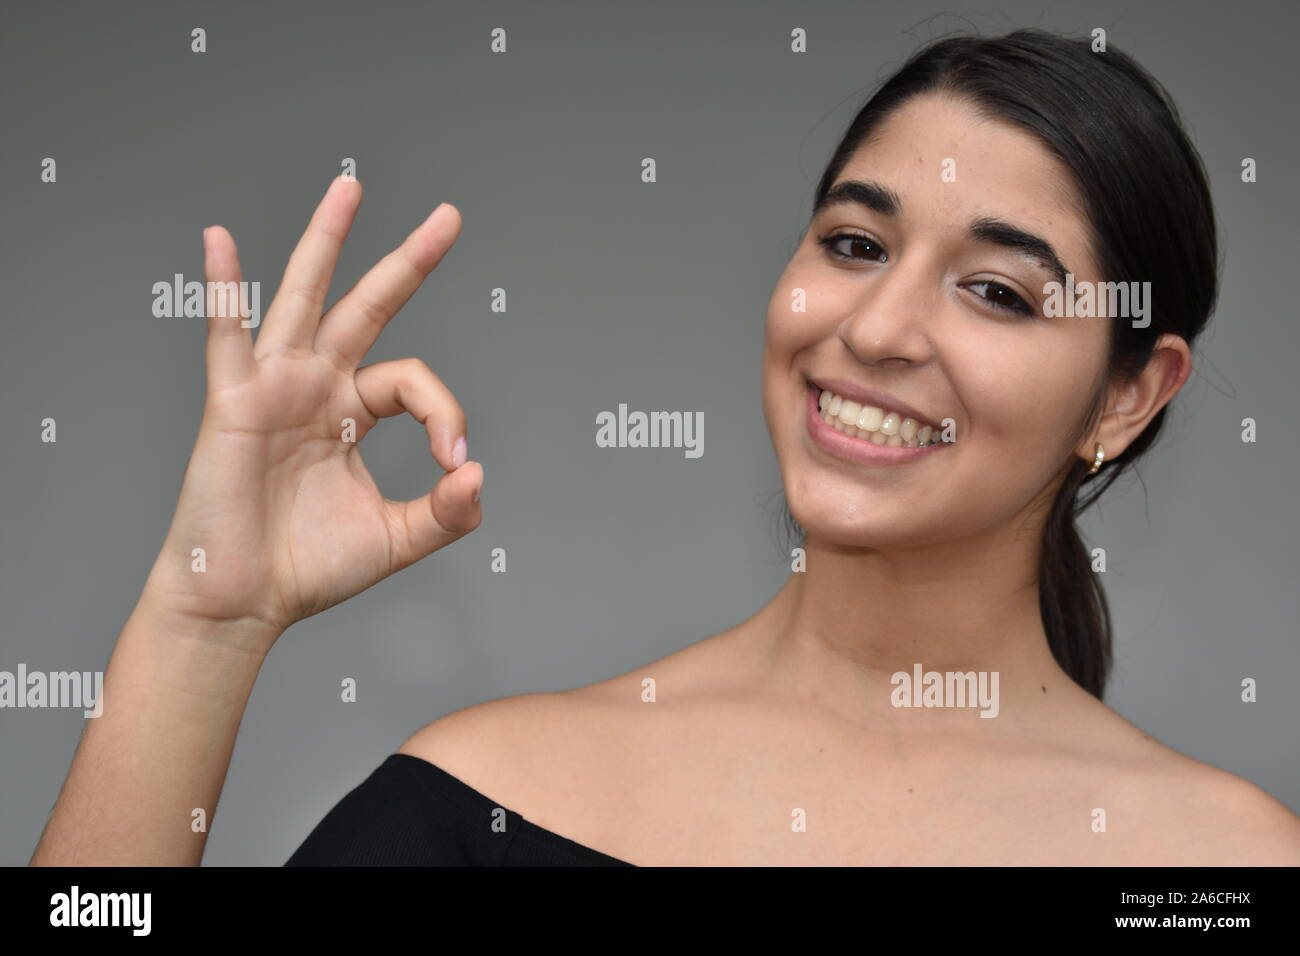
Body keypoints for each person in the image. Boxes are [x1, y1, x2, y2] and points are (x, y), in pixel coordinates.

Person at [30, 28, 1300, 866]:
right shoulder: (481, 801)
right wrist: (203, 628)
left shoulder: (1217, 864)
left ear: (1128, 398)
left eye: (998, 291)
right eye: (855, 245)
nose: (876, 325)